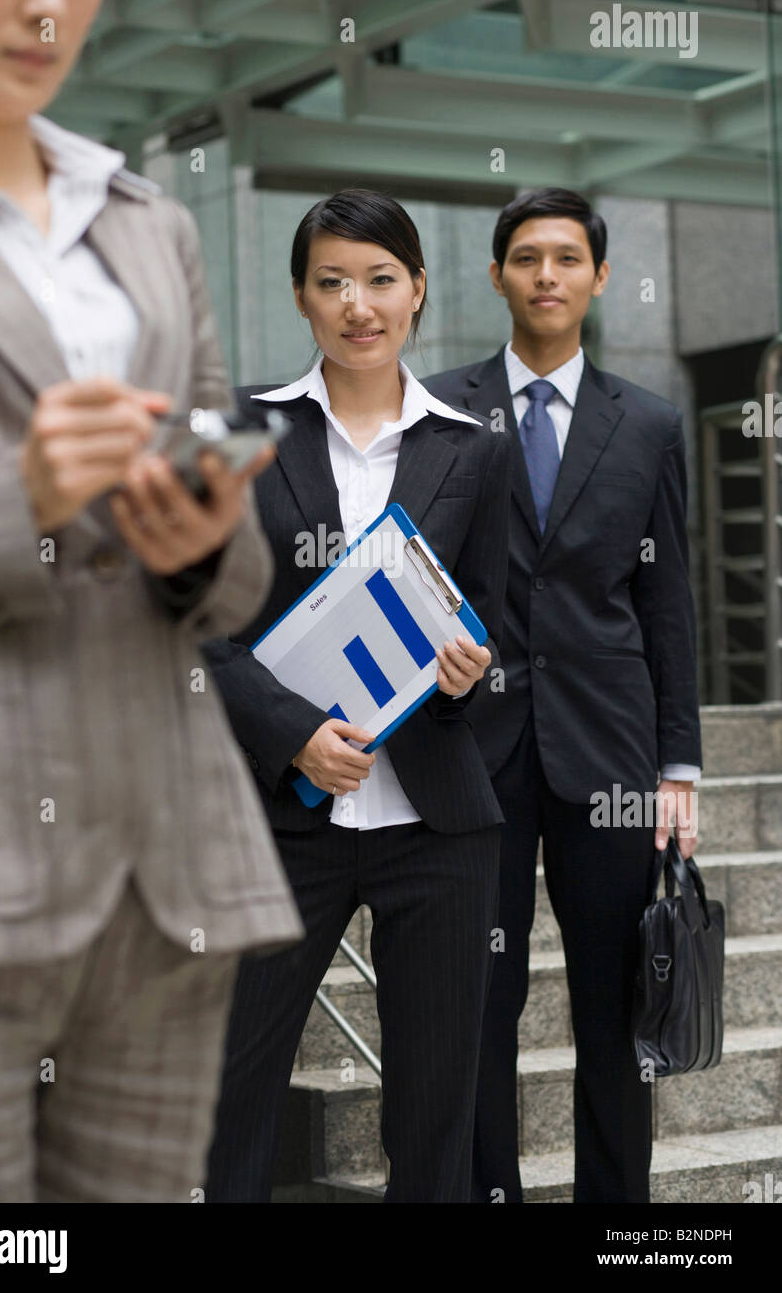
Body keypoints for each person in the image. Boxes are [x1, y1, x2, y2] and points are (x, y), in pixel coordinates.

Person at [0, 0, 302, 1203]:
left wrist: (197, 547)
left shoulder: (148, 224)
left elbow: (236, 582)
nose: (49, 8)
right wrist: (15, 495)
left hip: (166, 864)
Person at [203, 188, 513, 1203]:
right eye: (332, 281)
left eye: (380, 279)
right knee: (231, 1085)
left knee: (434, 1109)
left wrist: (469, 674)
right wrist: (292, 736)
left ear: (417, 290)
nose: (357, 303)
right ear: (300, 296)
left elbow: (495, 625)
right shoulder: (246, 434)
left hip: (438, 826)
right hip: (286, 821)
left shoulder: (473, 447)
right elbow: (200, 627)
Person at [426, 187, 701, 1204]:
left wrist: (677, 766)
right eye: (526, 257)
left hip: (611, 757)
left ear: (592, 276)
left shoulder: (650, 424)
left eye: (566, 258)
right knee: (479, 1006)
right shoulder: (443, 411)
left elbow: (665, 600)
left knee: (612, 1009)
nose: (546, 275)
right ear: (495, 273)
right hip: (472, 747)